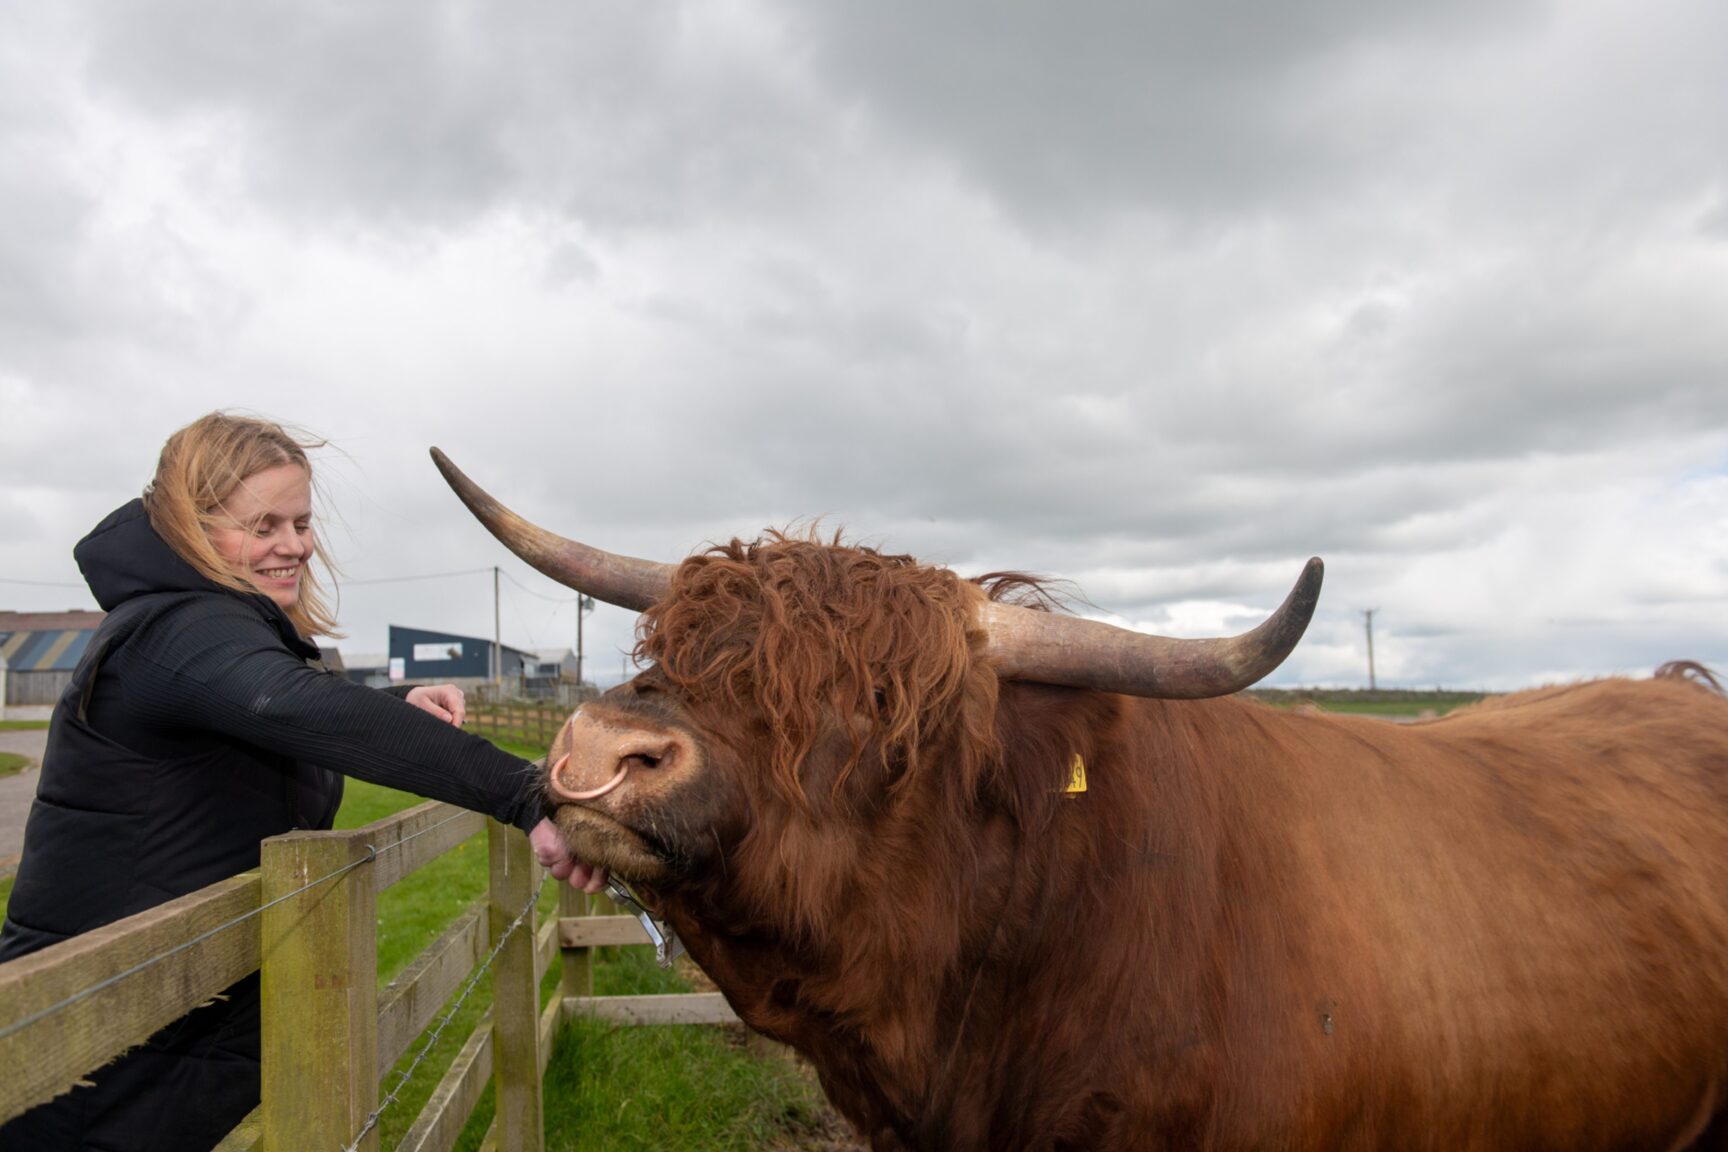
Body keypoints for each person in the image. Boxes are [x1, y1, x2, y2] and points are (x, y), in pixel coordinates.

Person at [0, 412, 602, 1151]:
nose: (293, 546)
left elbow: (269, 718)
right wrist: (523, 792)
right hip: (103, 1049)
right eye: (263, 527)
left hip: (170, 1023)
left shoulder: (212, 628)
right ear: (191, 525)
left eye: (301, 522)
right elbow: (279, 703)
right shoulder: (178, 631)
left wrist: (389, 707)